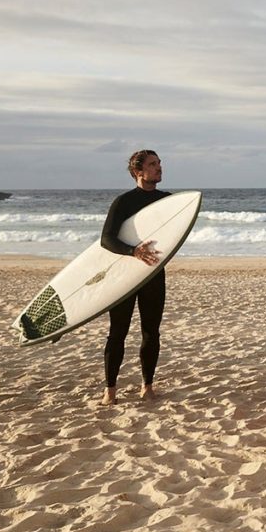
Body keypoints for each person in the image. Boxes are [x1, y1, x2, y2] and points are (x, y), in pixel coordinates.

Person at [99, 149, 169, 405]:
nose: (159, 167)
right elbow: (106, 239)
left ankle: (147, 387)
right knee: (118, 332)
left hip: (153, 273)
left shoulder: (168, 202)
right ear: (138, 171)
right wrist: (133, 251)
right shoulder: (124, 202)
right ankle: (110, 391)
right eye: (152, 164)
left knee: (151, 332)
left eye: (159, 163)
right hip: (124, 275)